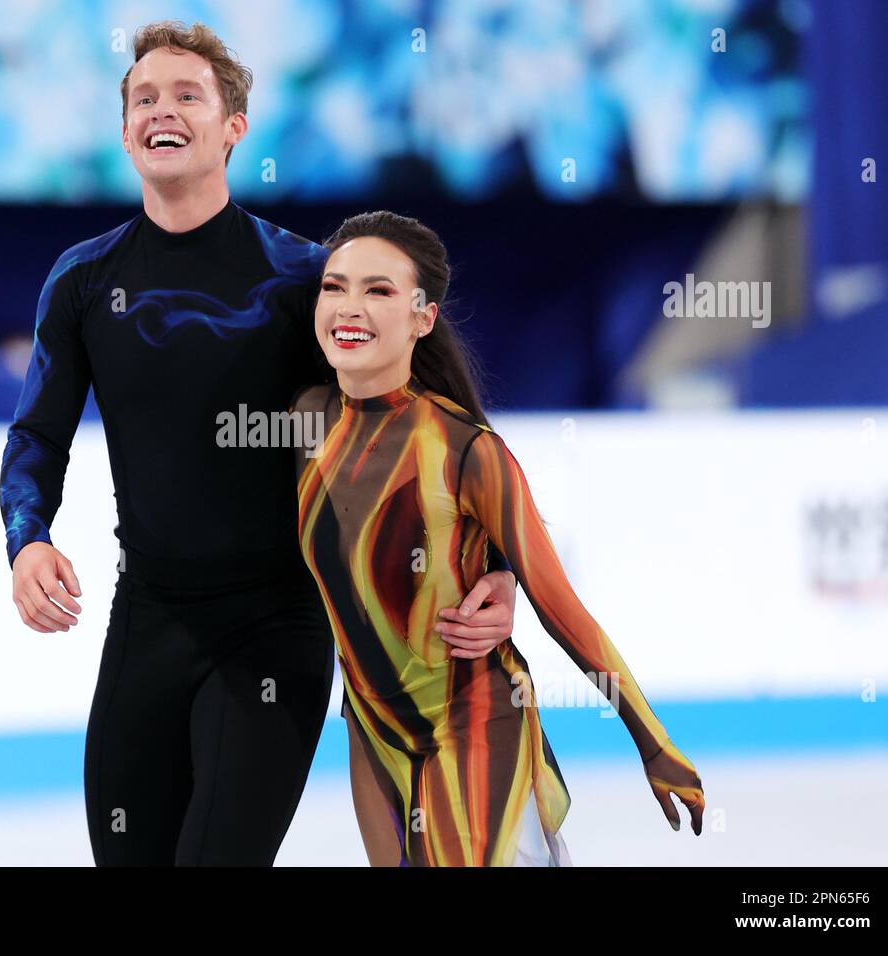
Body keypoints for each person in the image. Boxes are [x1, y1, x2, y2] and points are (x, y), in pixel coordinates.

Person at [0, 21, 520, 866]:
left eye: (186, 96)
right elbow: (37, 435)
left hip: (277, 627)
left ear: (234, 125)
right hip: (148, 625)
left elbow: (424, 418)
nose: (161, 111)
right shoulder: (84, 280)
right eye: (143, 99)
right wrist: (28, 541)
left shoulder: (303, 277)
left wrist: (495, 561)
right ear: (124, 128)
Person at [290, 211, 706, 866]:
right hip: (372, 737)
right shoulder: (305, 423)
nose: (349, 306)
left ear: (423, 317)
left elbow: (563, 611)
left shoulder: (469, 452)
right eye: (335, 286)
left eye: (379, 290)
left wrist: (652, 743)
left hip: (475, 726)